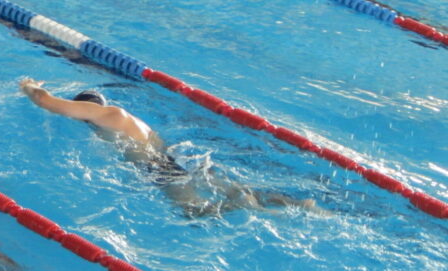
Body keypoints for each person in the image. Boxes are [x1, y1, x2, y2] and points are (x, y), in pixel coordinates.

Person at [19, 78, 317, 217]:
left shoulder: (108, 115)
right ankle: (296, 204)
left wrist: (30, 88)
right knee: (230, 186)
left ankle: (259, 210)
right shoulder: (129, 120)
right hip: (181, 156)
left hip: (161, 166)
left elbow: (47, 102)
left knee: (194, 212)